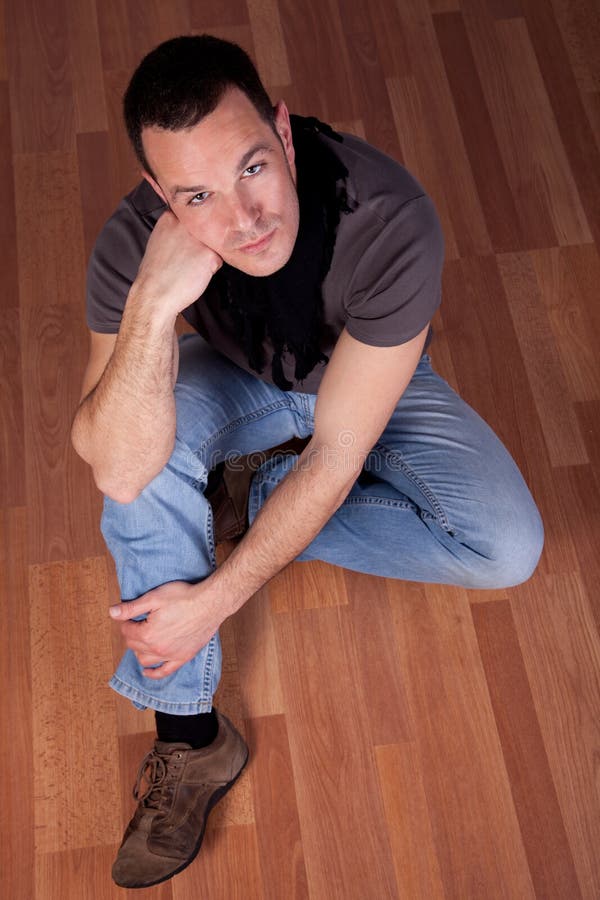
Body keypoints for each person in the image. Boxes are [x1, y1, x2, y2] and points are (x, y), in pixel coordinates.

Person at [70, 34, 544, 889]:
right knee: (139, 460)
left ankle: (254, 506)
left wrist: (211, 601)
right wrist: (149, 307)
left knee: (507, 545)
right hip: (243, 382)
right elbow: (112, 463)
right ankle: (192, 740)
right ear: (158, 199)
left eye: (253, 167)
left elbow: (337, 448)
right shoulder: (134, 245)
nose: (243, 219)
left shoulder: (388, 218)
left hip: (363, 383)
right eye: (198, 196)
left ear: (284, 134)